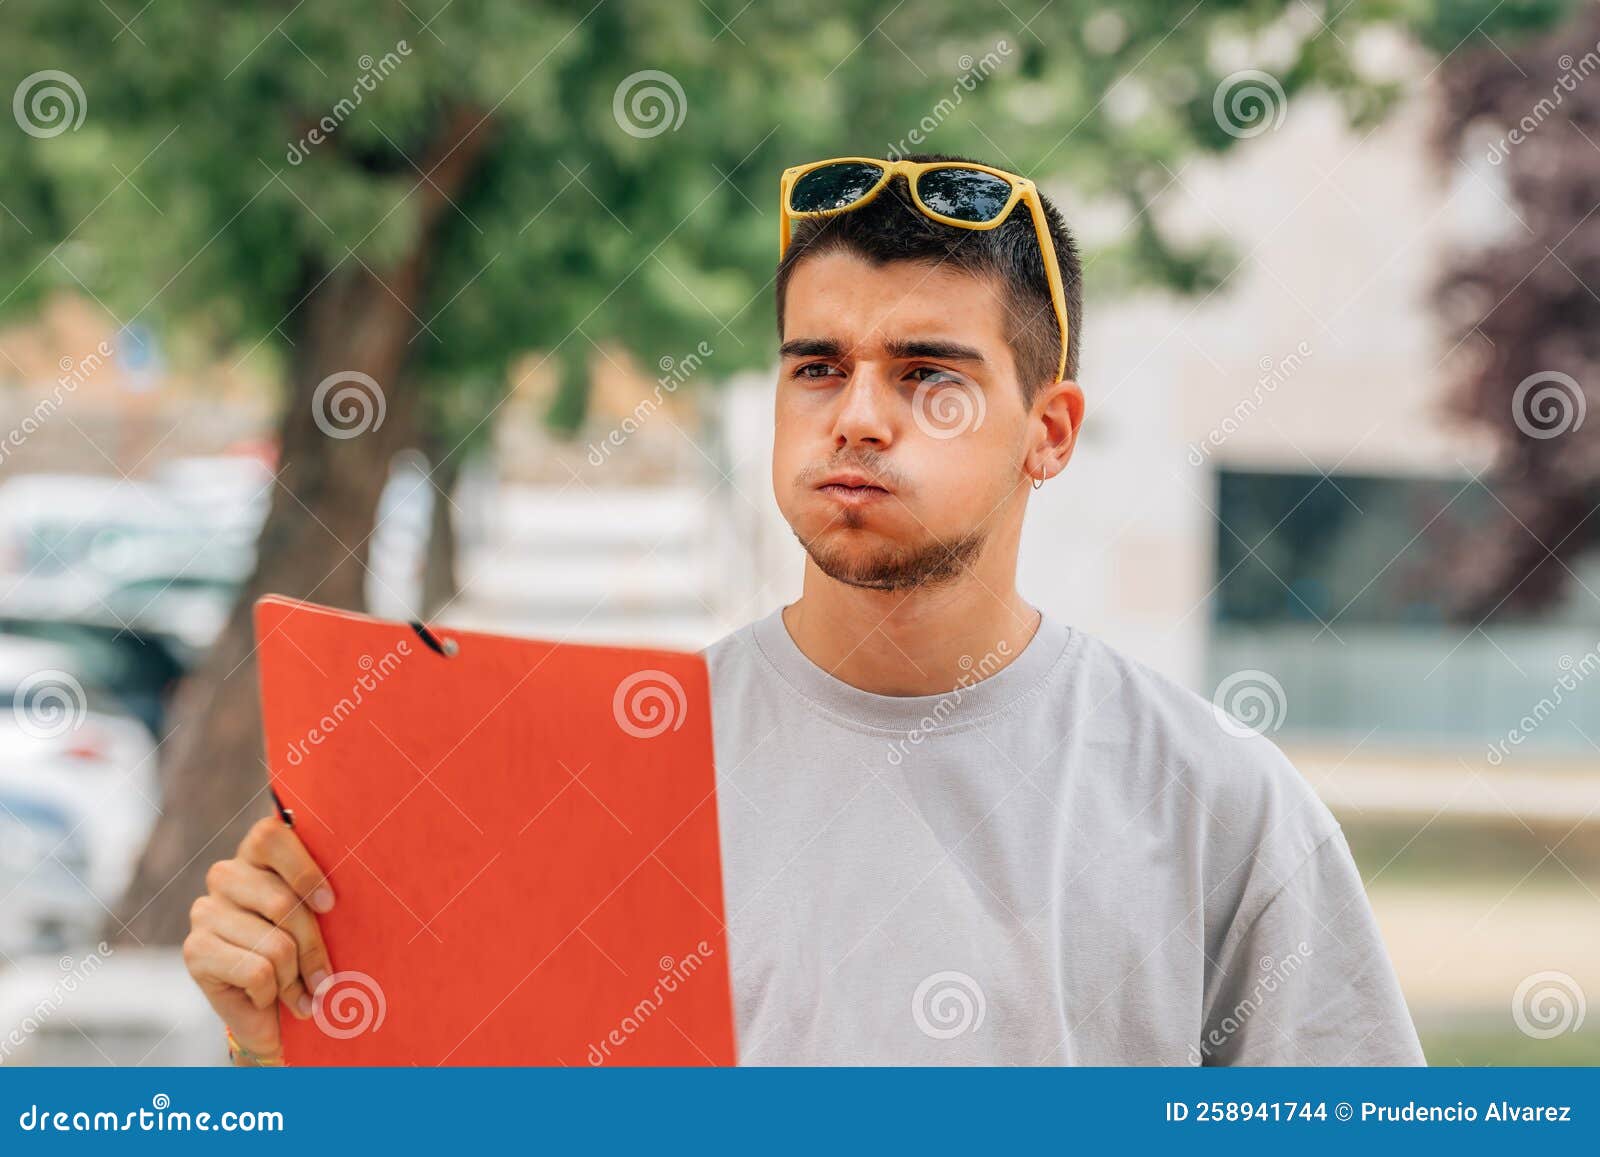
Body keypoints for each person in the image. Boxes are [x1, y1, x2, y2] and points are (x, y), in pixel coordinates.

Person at [184, 153, 1425, 1066]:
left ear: (1048, 432)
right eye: (816, 367)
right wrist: (277, 1043)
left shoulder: (1215, 806)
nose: (859, 414)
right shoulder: (604, 772)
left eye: (928, 373)